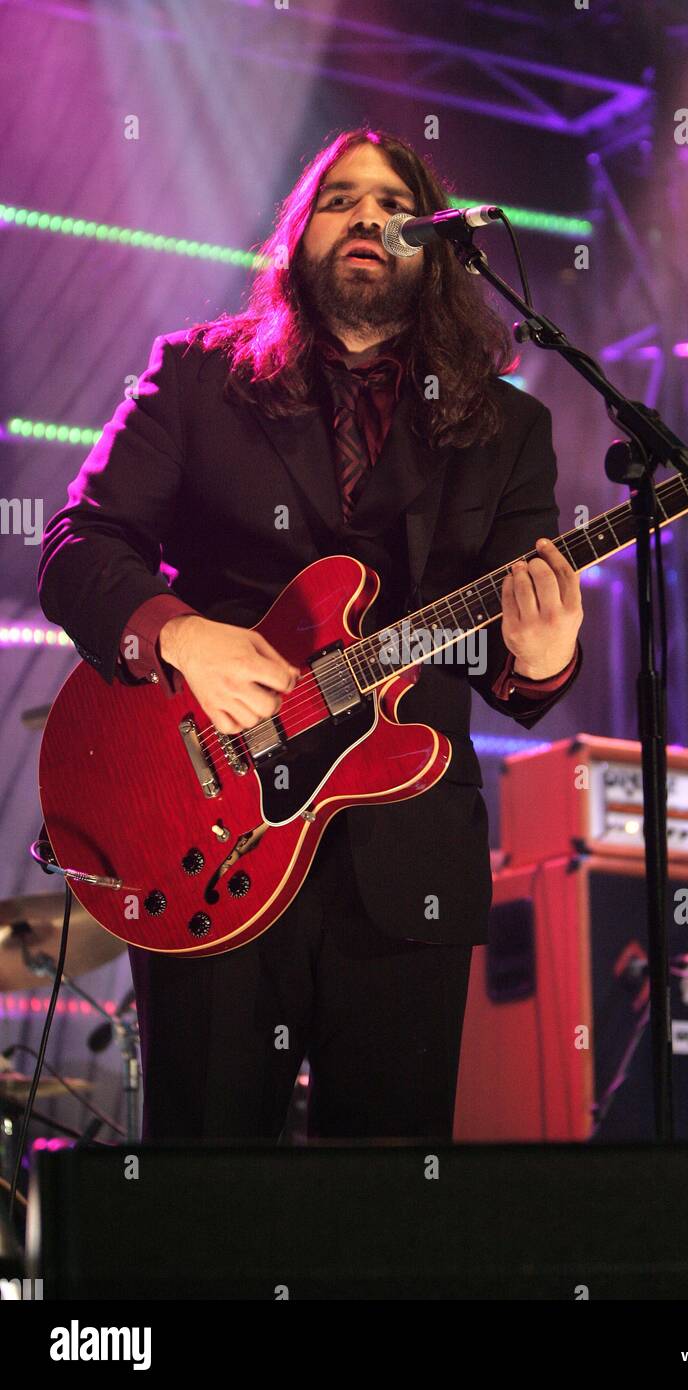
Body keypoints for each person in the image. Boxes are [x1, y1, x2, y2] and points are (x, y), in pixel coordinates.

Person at [38, 128, 583, 1144]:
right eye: (339, 199)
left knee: (383, 1211)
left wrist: (543, 660)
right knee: (203, 1191)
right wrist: (179, 632)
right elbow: (77, 545)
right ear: (296, 239)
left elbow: (514, 652)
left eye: (392, 203)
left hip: (405, 857)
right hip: (206, 826)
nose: (368, 216)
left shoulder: (507, 430)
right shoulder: (200, 378)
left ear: (434, 249)